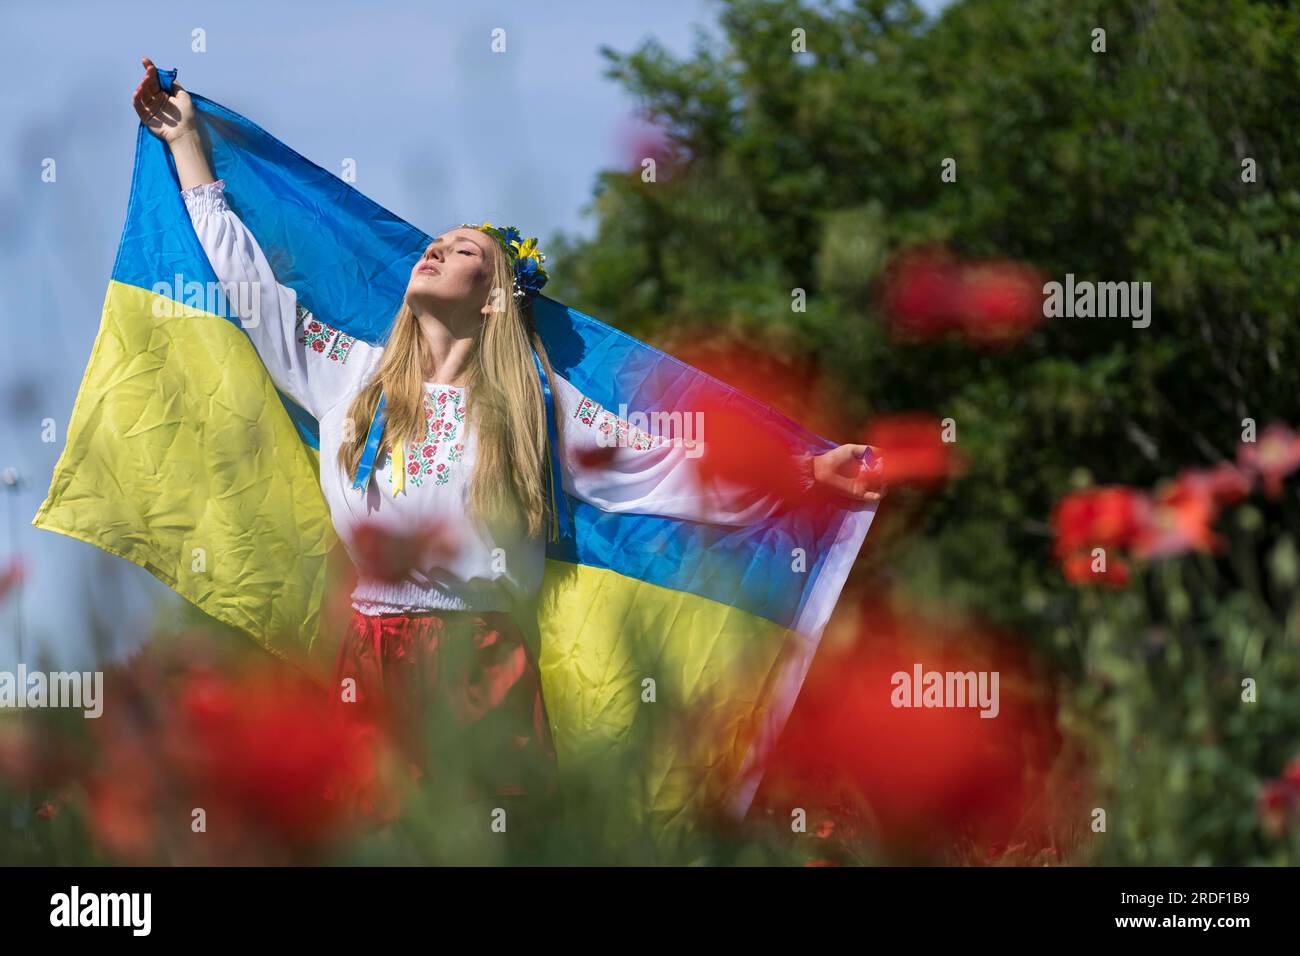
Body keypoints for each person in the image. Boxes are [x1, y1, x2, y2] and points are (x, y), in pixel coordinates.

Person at [131, 56, 884, 831]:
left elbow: (667, 472)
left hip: (478, 659)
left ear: (493, 298)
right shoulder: (349, 379)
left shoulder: (535, 411)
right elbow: (255, 294)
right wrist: (189, 147)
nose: (435, 251)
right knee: (368, 835)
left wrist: (804, 473)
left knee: (490, 837)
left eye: (462, 251)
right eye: (438, 243)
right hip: (368, 655)